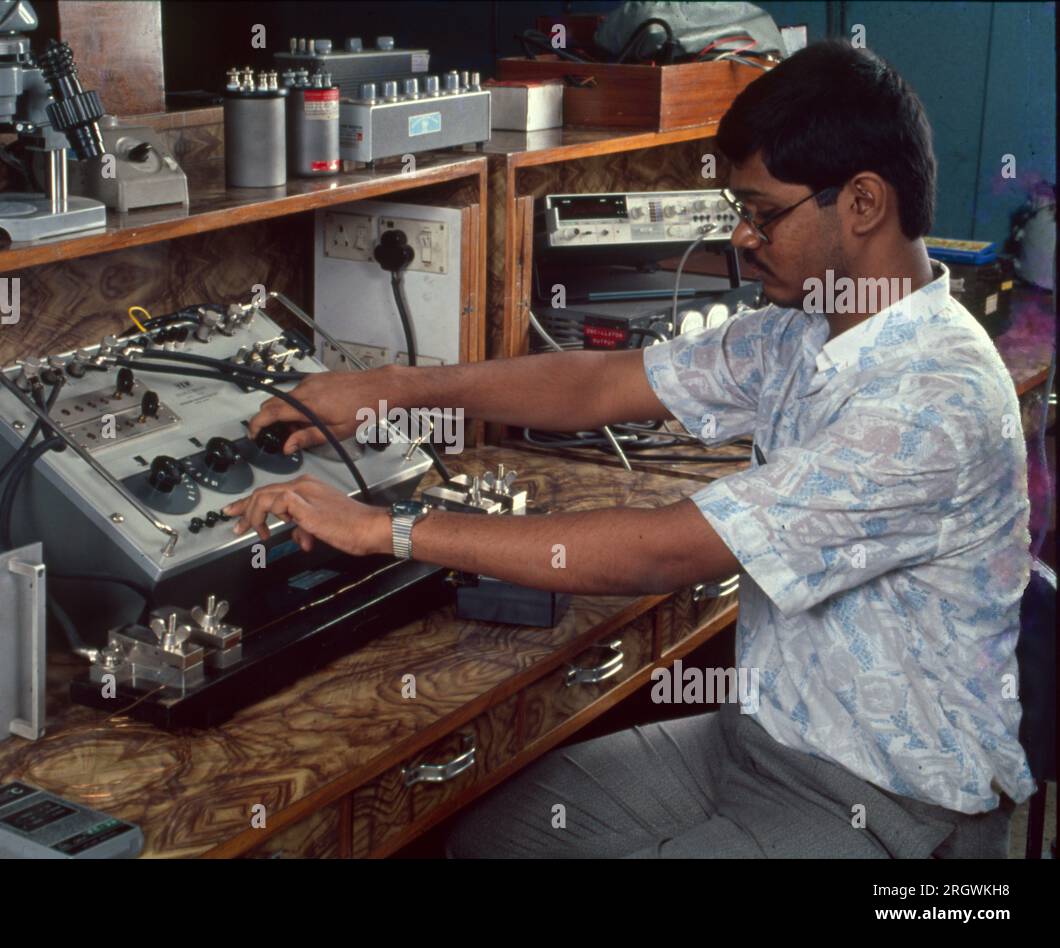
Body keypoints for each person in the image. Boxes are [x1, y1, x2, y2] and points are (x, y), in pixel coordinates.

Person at [224, 40, 1033, 858]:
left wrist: (388, 528)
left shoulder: (933, 397)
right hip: (759, 743)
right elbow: (600, 384)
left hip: (893, 804)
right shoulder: (808, 327)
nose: (743, 239)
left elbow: (660, 553)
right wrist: (386, 388)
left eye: (762, 212)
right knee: (494, 841)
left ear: (862, 203)